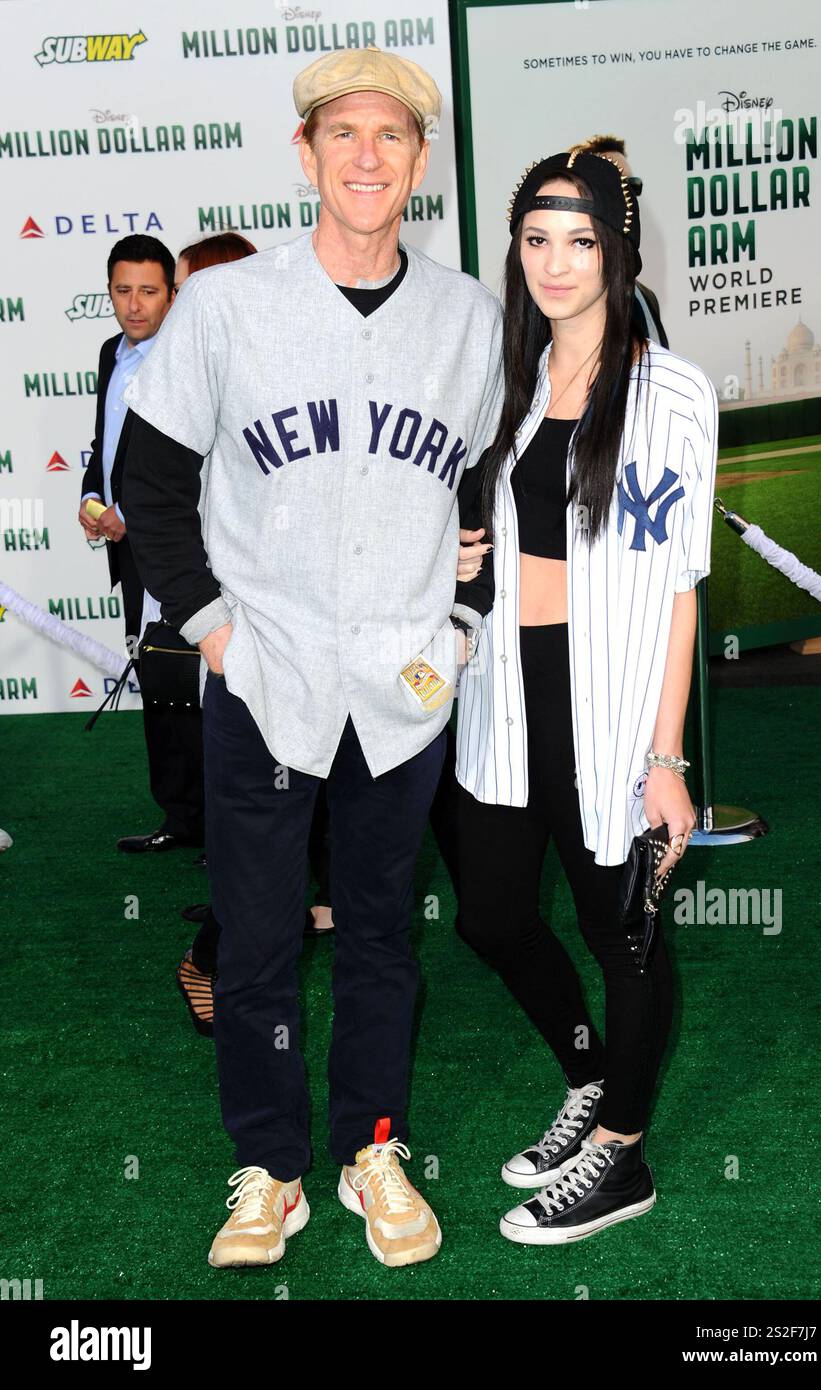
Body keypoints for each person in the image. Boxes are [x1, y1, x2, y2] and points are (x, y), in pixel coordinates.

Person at [121, 45, 502, 1269]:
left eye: (391, 135)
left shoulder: (468, 319)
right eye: (344, 133)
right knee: (259, 928)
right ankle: (272, 1170)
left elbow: (492, 487)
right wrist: (213, 628)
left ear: (420, 161)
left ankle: (371, 1147)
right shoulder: (228, 306)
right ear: (306, 153)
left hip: (401, 685)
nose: (369, 157)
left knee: (386, 928)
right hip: (268, 675)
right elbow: (151, 480)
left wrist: (462, 623)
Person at [454, 146, 717, 1244]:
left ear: (616, 250)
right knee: (491, 915)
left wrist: (667, 761)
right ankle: (589, 1081)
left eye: (580, 240)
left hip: (605, 702)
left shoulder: (670, 392)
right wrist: (462, 559)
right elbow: (490, 532)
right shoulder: (499, 377)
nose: (556, 263)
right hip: (500, 692)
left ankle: (624, 1153)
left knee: (627, 937)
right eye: (535, 239)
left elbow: (676, 592)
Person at [78, 235, 206, 854]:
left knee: (199, 681)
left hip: (180, 548)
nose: (134, 305)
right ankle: (180, 817)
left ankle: (220, 824)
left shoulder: (189, 359)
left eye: (149, 291)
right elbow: (106, 448)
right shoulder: (110, 352)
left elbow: (196, 465)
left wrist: (136, 514)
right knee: (159, 680)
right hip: (129, 549)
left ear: (172, 294)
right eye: (122, 290)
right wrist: (91, 498)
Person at [573, 134, 669, 348]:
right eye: (616, 184)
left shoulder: (645, 298)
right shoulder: (563, 297)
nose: (627, 197)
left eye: (632, 187)